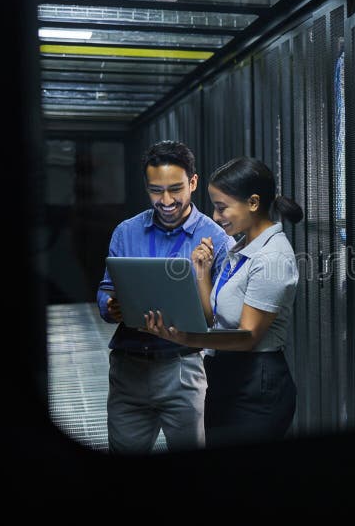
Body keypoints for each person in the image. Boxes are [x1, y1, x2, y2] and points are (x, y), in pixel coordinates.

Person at [144, 156, 303, 447]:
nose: (216, 217)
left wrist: (184, 338)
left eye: (222, 207)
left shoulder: (272, 257)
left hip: (256, 385)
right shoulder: (241, 247)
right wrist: (202, 273)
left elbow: (247, 337)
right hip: (226, 376)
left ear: (253, 203)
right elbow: (213, 319)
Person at [97, 140, 235, 454]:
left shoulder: (217, 238)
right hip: (128, 371)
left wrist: (202, 276)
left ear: (193, 182)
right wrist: (110, 305)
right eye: (156, 191)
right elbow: (106, 289)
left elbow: (222, 315)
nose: (167, 200)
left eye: (176, 189)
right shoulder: (126, 232)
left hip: (182, 369)